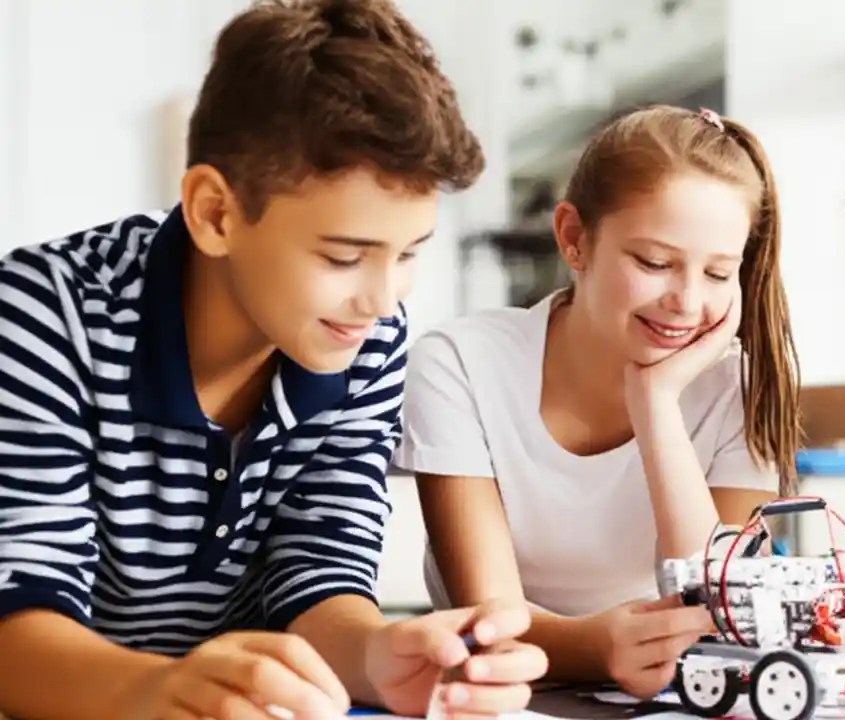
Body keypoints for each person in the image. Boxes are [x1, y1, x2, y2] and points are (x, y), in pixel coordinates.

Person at [0, 2, 547, 720]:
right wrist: (157, 691)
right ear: (215, 213)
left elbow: (319, 573)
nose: (383, 300)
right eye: (344, 256)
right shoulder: (44, 314)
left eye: (410, 253)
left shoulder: (365, 340)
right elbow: (15, 620)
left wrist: (381, 660)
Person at [395, 105, 801, 699]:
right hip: (502, 696)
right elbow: (489, 618)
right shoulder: (460, 363)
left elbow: (715, 610)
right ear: (574, 239)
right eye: (655, 263)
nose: (686, 303)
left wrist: (656, 403)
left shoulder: (740, 389)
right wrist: (596, 649)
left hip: (677, 698)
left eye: (718, 274)